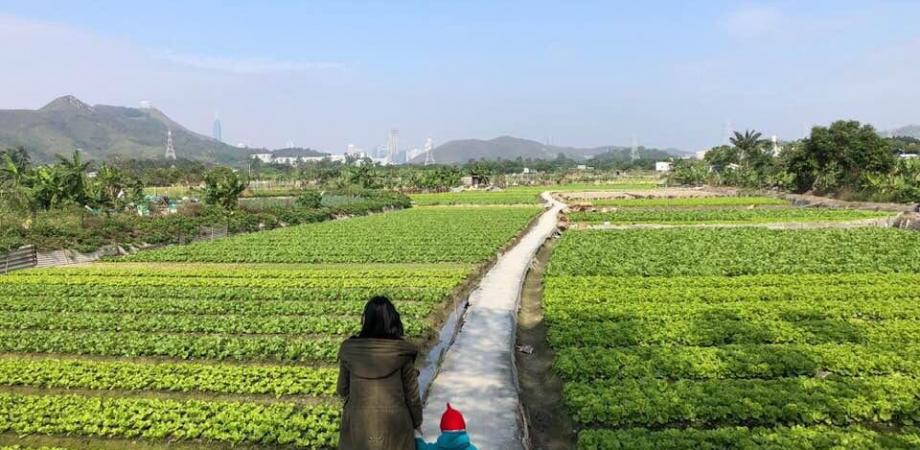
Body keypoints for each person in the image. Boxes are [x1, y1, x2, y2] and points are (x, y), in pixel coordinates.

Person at [337, 295, 423, 450]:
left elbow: (342, 389)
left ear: (366, 320)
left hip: (359, 426)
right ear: (393, 320)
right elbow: (413, 397)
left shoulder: (350, 350)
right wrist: (417, 423)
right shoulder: (401, 352)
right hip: (395, 428)